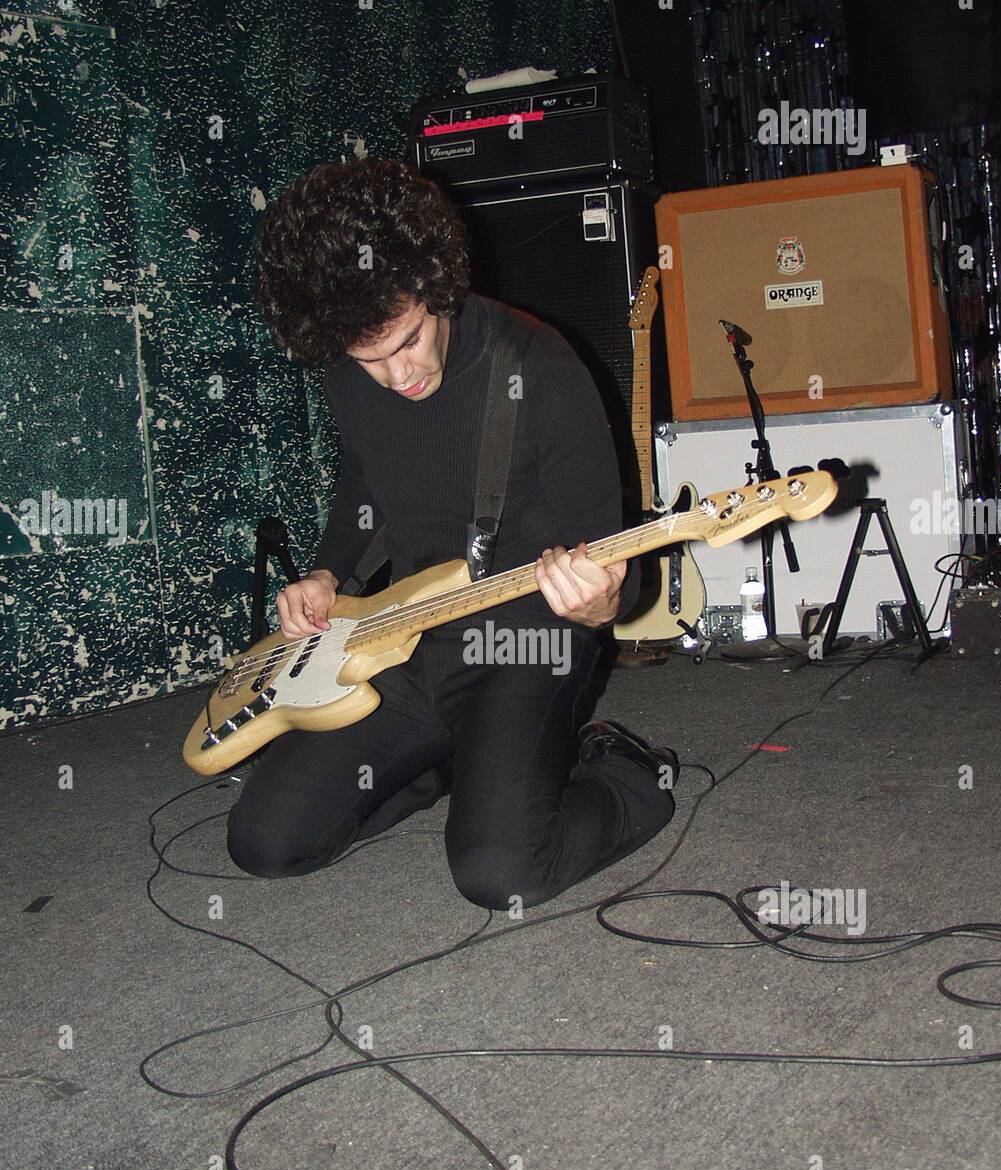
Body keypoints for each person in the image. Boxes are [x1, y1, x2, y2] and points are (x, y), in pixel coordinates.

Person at [226, 157, 677, 909]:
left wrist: (599, 605)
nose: (396, 374)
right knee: (266, 844)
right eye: (367, 359)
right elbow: (367, 488)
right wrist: (328, 575)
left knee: (501, 872)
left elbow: (620, 564)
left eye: (406, 340)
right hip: (409, 634)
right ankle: (444, 765)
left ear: (433, 284)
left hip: (528, 640)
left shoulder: (539, 364)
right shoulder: (352, 367)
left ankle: (628, 772)